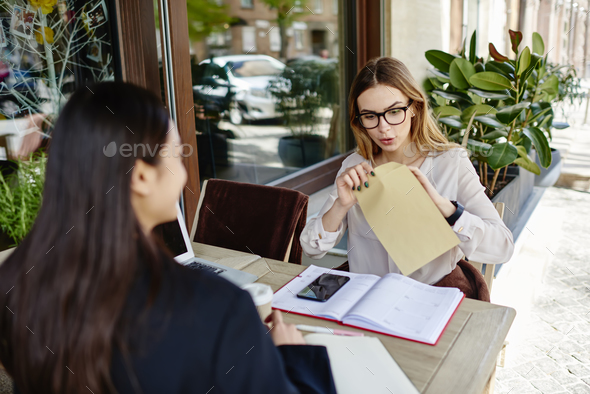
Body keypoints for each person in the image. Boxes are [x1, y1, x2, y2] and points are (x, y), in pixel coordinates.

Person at [0, 82, 336, 394]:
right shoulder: (216, 310)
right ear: (142, 175)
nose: (184, 169)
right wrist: (293, 357)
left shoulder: (18, 286)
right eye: (176, 154)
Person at [300, 57, 514, 300]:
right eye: (370, 116)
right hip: (366, 296)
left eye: (394, 112)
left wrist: (447, 210)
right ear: (358, 120)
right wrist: (341, 206)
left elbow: (503, 247)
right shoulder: (355, 166)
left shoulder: (451, 163)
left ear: (414, 107)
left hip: (433, 294)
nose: (384, 128)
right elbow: (311, 248)